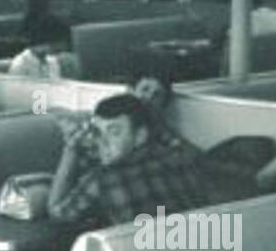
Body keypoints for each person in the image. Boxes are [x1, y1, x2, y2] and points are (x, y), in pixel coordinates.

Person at [47, 92, 214, 231]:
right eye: (98, 132)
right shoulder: (181, 159)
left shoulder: (102, 180)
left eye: (114, 132)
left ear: (140, 136)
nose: (102, 142)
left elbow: (57, 214)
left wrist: (71, 150)